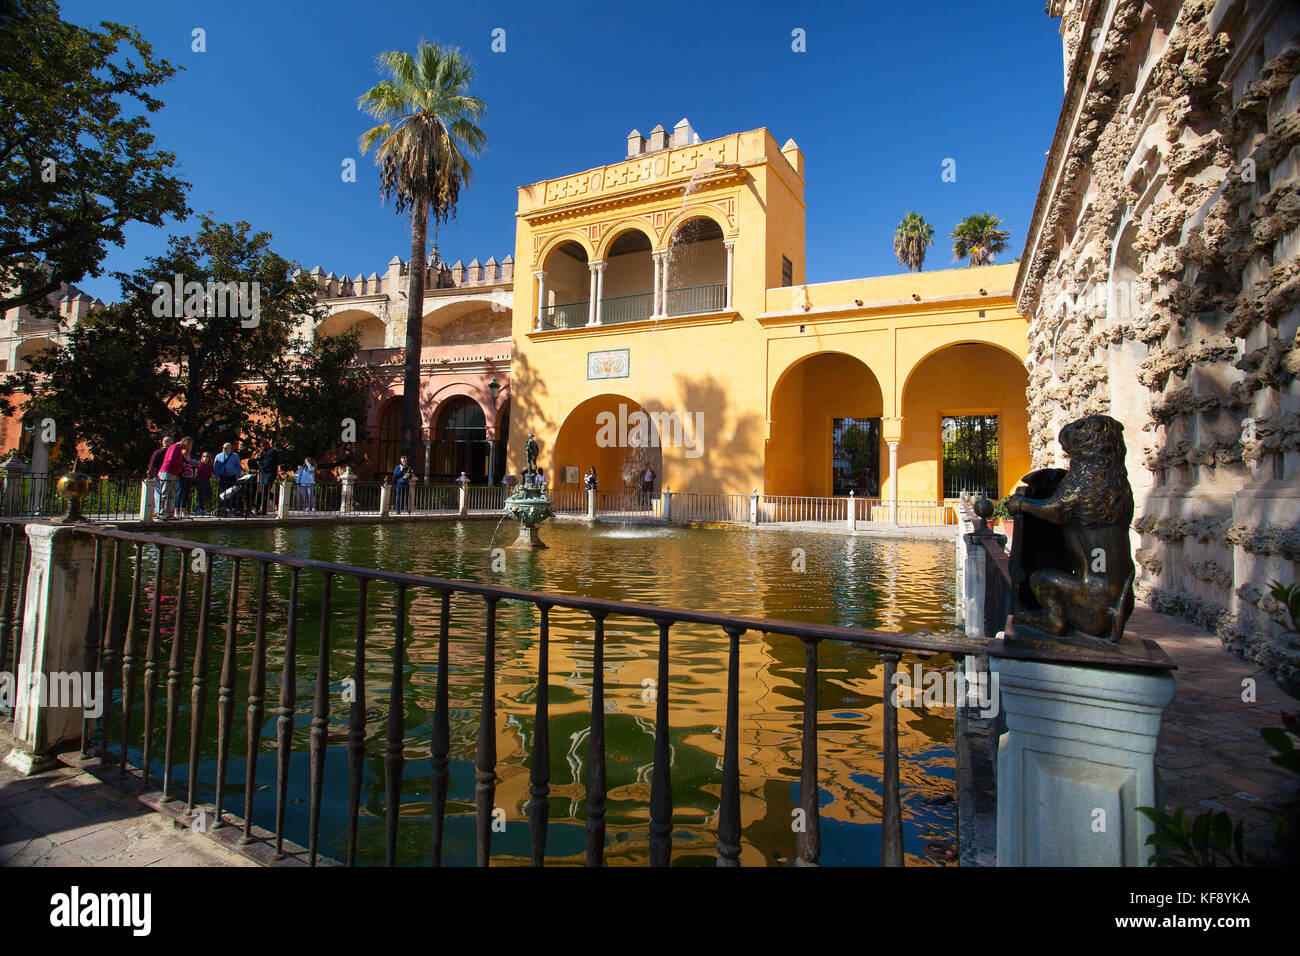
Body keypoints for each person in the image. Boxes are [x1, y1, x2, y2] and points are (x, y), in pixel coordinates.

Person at [156, 436, 192, 519]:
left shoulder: (178, 448)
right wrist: (181, 464)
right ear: (186, 443)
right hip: (167, 471)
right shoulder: (175, 447)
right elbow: (171, 460)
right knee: (165, 493)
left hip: (173, 473)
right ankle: (160, 512)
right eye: (189, 445)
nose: (189, 448)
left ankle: (169, 513)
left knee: (171, 494)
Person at [147, 436, 173, 514]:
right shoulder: (171, 453)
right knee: (168, 494)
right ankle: (167, 510)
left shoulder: (158, 452)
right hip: (169, 474)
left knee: (159, 493)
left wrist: (150, 473)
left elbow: (152, 464)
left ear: (162, 443)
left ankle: (159, 510)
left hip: (158, 474)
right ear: (170, 443)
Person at [251, 442, 278, 515]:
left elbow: (269, 463)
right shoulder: (265, 452)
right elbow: (261, 459)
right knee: (262, 491)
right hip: (264, 473)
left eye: (262, 446)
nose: (261, 448)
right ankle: (259, 508)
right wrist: (254, 460)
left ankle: (263, 510)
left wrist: (259, 470)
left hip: (269, 473)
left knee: (265, 491)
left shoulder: (272, 452)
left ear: (266, 445)